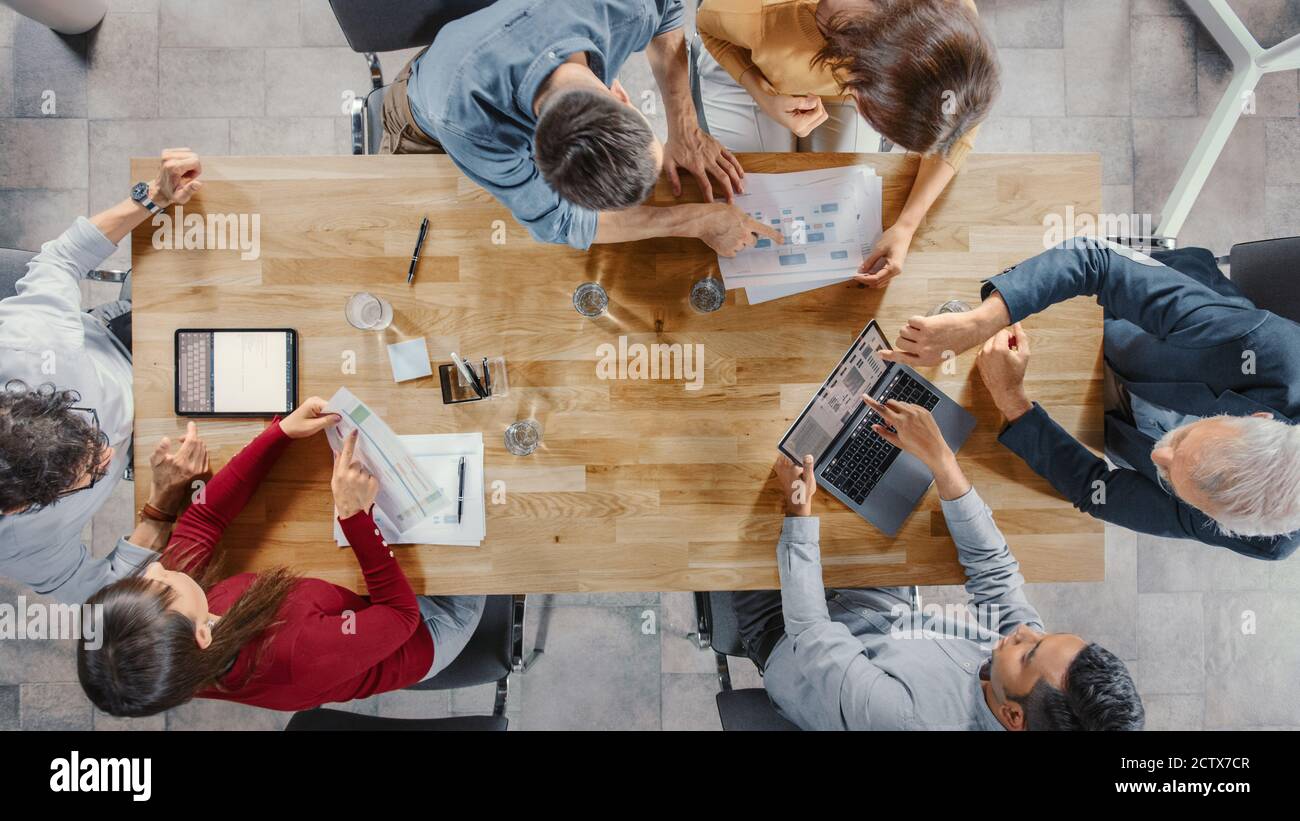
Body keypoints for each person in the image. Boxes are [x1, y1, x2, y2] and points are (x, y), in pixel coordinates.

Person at [883, 237, 1300, 561]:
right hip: (1133, 328)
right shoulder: (1263, 351)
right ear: (1259, 418)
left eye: (1174, 484)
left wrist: (1012, 401)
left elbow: (1097, 489)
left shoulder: (1257, 529)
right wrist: (979, 323)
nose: (1158, 460)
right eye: (1182, 444)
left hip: (1101, 417)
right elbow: (1096, 262)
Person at [745, 397, 1143, 730]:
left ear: (1012, 716)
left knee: (735, 503)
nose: (1023, 631)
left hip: (785, 630)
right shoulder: (1021, 666)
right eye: (1043, 637)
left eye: (1027, 652)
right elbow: (994, 572)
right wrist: (942, 462)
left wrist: (799, 515)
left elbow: (812, 635)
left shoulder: (907, 720)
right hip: (879, 606)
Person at [78, 398, 487, 717]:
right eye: (160, 585)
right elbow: (400, 616)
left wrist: (282, 434)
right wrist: (355, 517)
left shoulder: (176, 651)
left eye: (143, 581)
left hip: (361, 618)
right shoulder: (296, 657)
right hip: (428, 627)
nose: (154, 567)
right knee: (491, 525)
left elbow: (204, 518)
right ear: (201, 635)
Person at [379, 0, 783, 258]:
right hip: (422, 123)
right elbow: (559, 222)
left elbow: (669, 11)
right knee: (400, 235)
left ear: (619, 96)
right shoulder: (467, 114)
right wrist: (697, 221)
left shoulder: (623, 6)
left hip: (503, 37)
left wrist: (684, 127)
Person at [0, 149, 212, 602]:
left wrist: (152, 197)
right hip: (156, 439)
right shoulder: (20, 546)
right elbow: (93, 591)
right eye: (89, 473)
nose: (106, 455)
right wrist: (159, 509)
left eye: (89, 437)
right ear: (19, 507)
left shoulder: (30, 345)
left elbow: (60, 260)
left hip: (126, 339)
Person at [696, 0, 999, 286]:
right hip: (744, 53)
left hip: (830, 70)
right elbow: (708, 27)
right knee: (750, 183)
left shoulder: (949, 13)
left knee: (833, 185)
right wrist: (761, 92)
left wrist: (907, 224)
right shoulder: (762, 15)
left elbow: (956, 125)